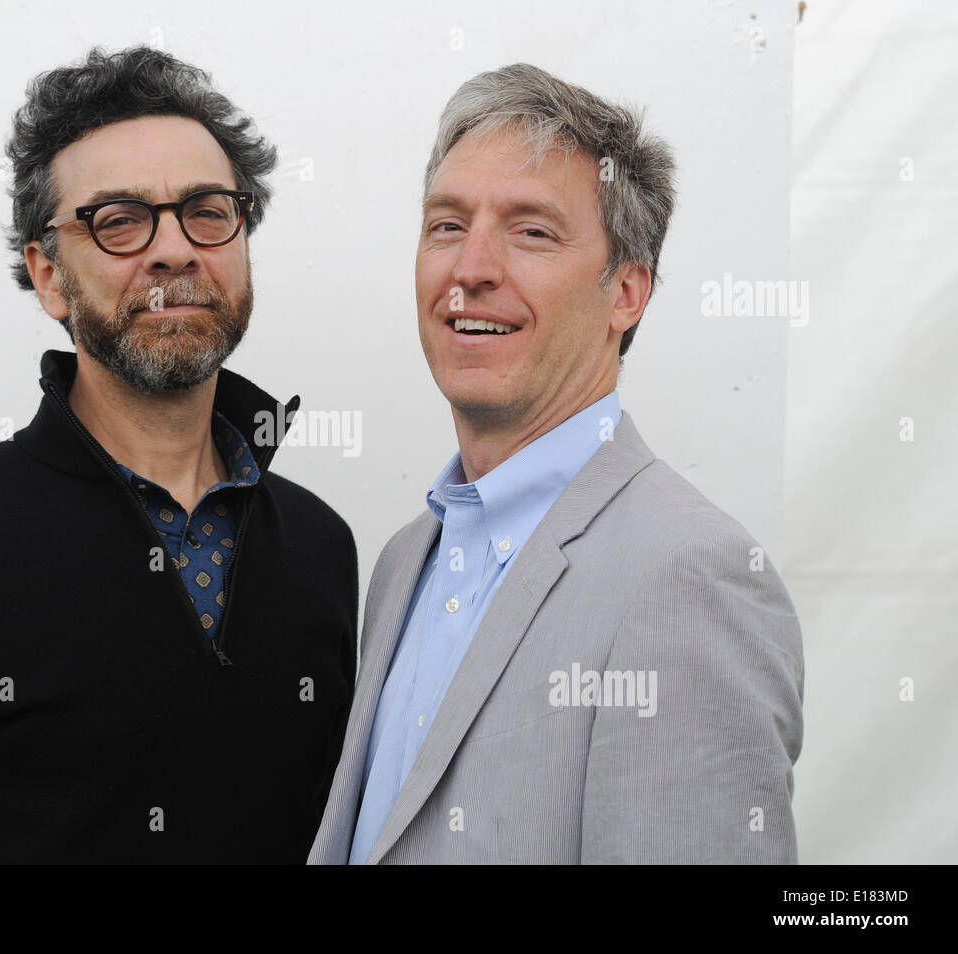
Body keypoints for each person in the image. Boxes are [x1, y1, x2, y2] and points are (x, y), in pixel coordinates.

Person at [0, 46, 357, 864]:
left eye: (208, 210)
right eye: (118, 220)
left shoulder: (324, 549)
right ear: (48, 276)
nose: (175, 250)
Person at [309, 63, 803, 864]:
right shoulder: (406, 561)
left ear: (628, 293)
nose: (471, 268)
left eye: (532, 231)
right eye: (446, 225)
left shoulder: (689, 577)